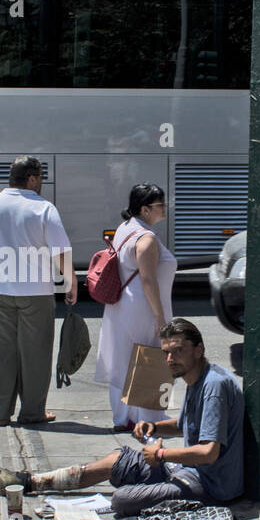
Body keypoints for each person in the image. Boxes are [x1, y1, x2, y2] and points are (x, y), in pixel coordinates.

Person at [0, 318, 244, 516]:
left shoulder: (214, 387)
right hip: (189, 471)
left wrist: (161, 455)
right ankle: (30, 482)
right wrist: (154, 427)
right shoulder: (195, 378)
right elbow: (184, 426)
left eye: (178, 351)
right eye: (166, 352)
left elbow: (209, 452)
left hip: (211, 487)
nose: (170, 359)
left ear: (199, 349)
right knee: (116, 459)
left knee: (122, 500)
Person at [0, 156, 77, 427]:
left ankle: (1, 413)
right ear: (31, 178)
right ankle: (32, 413)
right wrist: (71, 282)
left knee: (3, 350)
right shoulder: (43, 208)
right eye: (40, 176)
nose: (41, 182)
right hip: (35, 291)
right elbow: (59, 251)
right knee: (36, 353)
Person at [94, 183, 176, 432]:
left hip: (121, 303)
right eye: (160, 205)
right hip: (143, 305)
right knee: (150, 358)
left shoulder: (125, 228)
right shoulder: (146, 238)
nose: (165, 208)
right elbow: (148, 280)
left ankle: (124, 418)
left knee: (124, 360)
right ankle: (149, 419)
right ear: (145, 209)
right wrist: (160, 316)